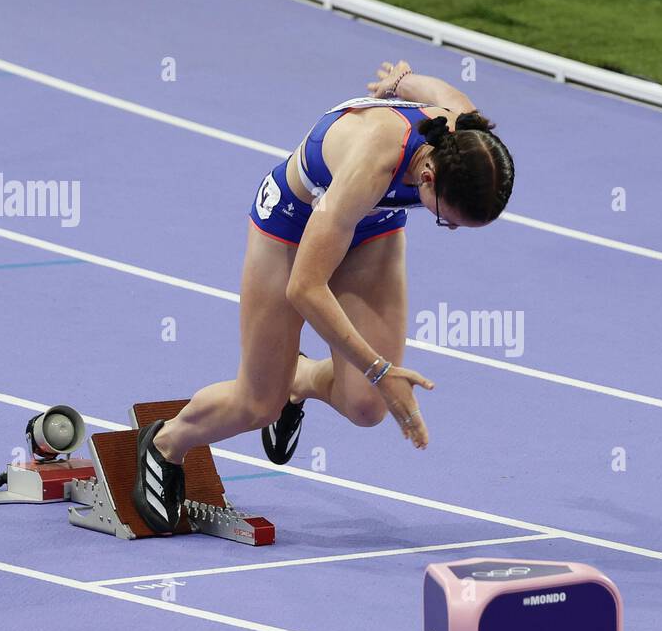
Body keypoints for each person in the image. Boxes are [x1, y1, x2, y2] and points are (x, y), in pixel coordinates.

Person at [132, 60, 516, 534]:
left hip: (372, 226)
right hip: (292, 224)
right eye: (447, 220)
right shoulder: (372, 159)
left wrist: (397, 83)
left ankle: (300, 377)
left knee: (367, 406)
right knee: (257, 406)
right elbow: (306, 288)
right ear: (429, 178)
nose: (451, 229)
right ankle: (166, 443)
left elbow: (437, 88)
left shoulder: (465, 132)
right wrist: (380, 368)